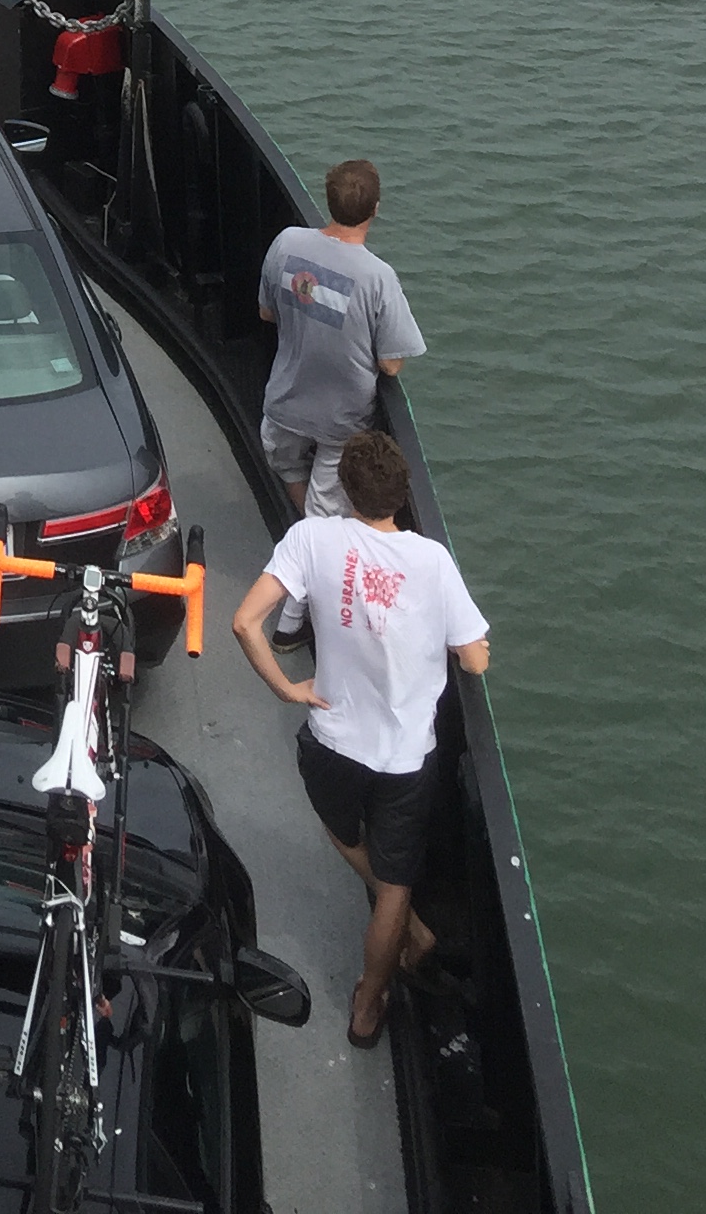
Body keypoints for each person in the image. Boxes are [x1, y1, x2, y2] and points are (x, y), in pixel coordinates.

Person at [231, 426, 491, 1052]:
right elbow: (475, 660)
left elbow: (245, 622)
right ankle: (368, 1006)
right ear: (404, 497)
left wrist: (287, 690)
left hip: (331, 742)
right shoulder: (432, 562)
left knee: (343, 834)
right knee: (395, 887)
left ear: (345, 491)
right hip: (404, 759)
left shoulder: (311, 539)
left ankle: (412, 927)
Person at [257, 160, 426, 522]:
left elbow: (267, 313)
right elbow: (391, 363)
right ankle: (318, 540)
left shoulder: (286, 243)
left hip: (285, 402)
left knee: (286, 465)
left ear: (329, 200)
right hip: (341, 419)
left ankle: (310, 529)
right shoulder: (378, 277)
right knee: (326, 509)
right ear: (375, 210)